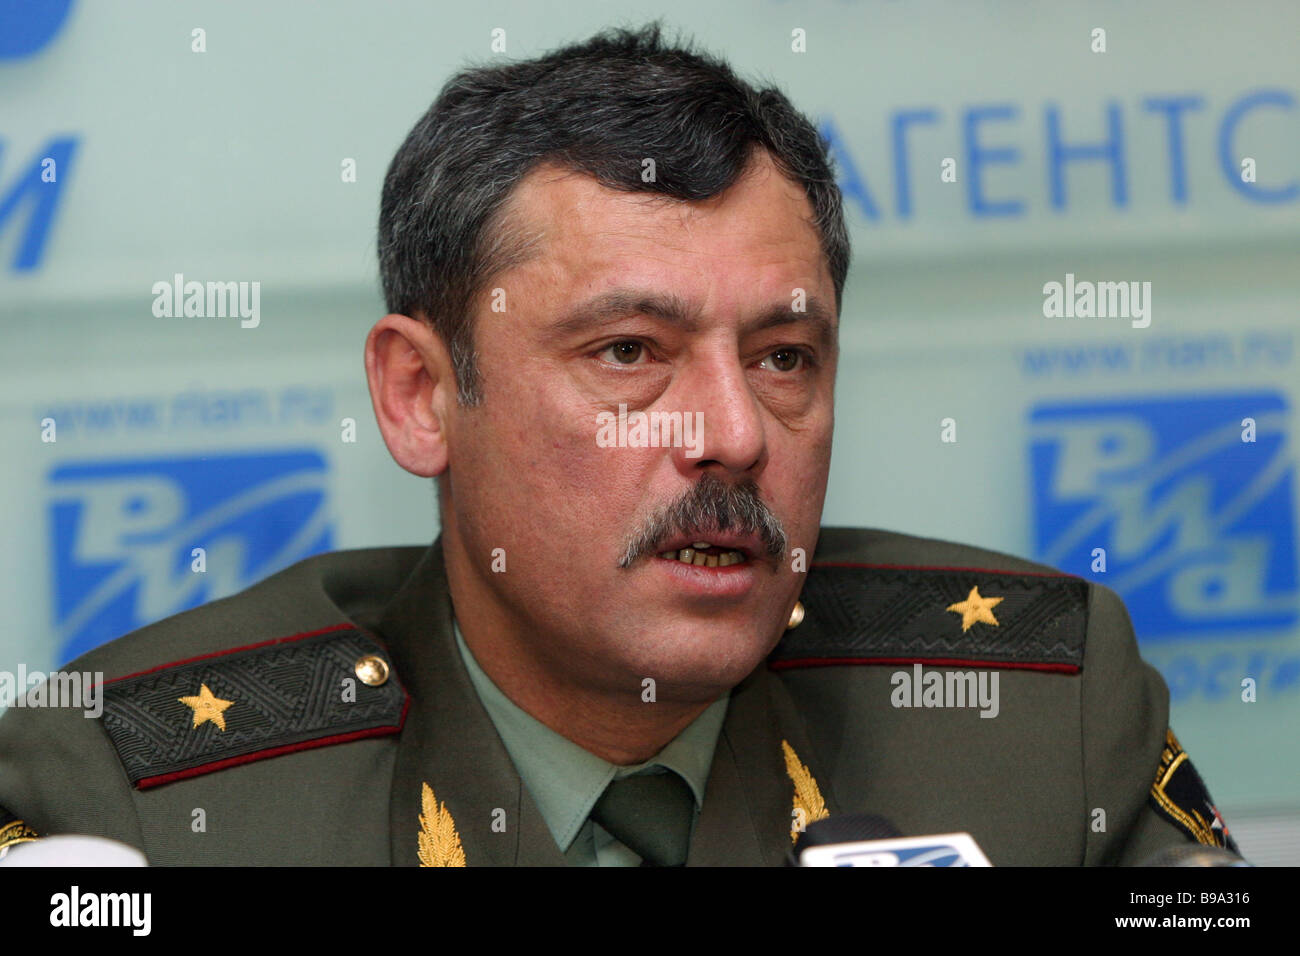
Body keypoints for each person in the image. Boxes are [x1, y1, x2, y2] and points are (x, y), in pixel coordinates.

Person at [0, 23, 1238, 866]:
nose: (736, 435)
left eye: (782, 357)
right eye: (630, 354)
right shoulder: (148, 791)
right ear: (422, 394)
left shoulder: (1039, 712)